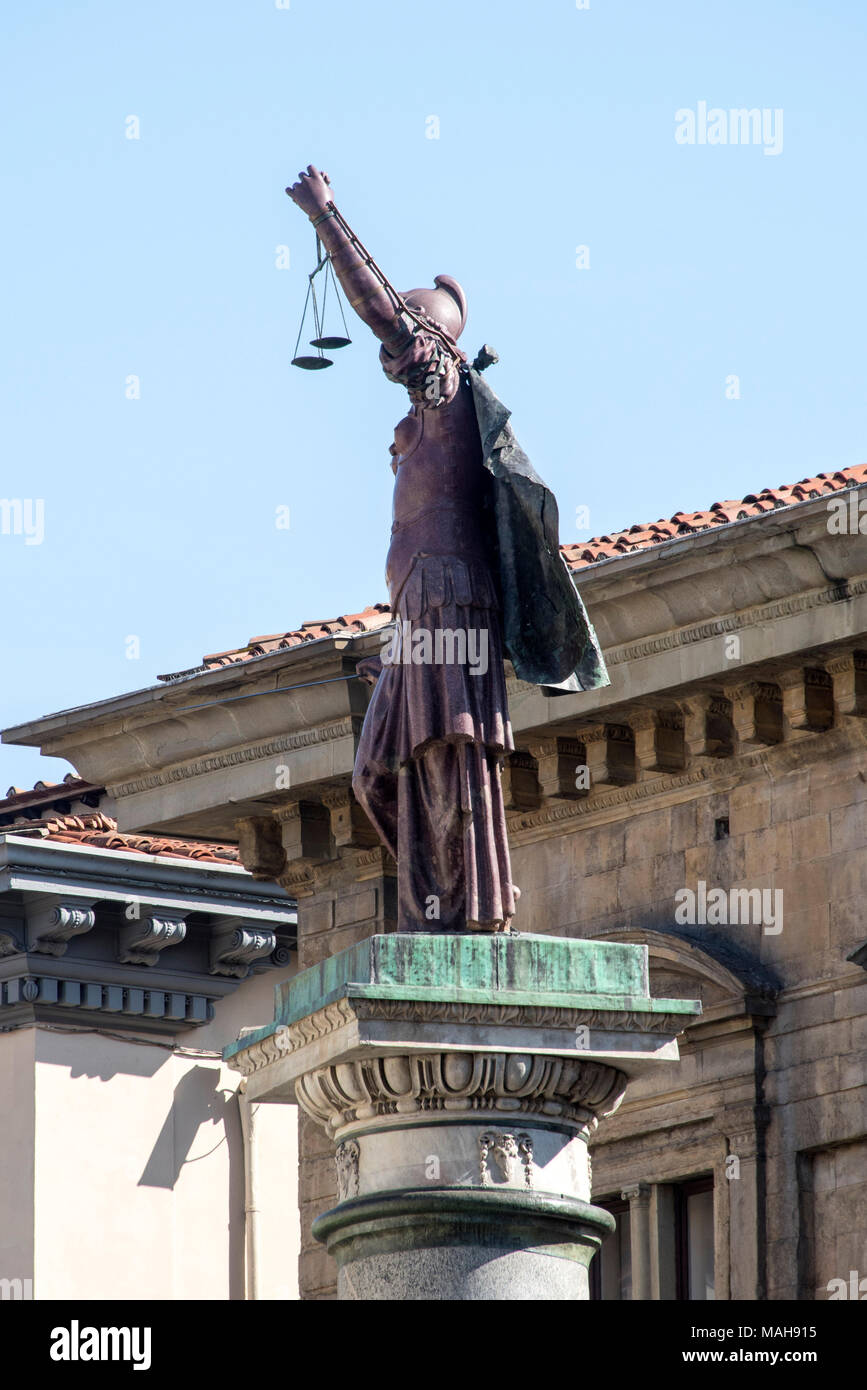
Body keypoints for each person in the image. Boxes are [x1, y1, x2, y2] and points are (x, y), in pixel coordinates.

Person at [286, 165, 608, 932]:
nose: (392, 349)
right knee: (378, 773)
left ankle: (467, 909)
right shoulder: (434, 407)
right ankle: (447, 899)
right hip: (421, 615)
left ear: (429, 343)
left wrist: (327, 221)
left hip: (447, 598)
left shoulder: (445, 389)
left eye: (407, 333)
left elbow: (378, 313)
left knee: (443, 753)